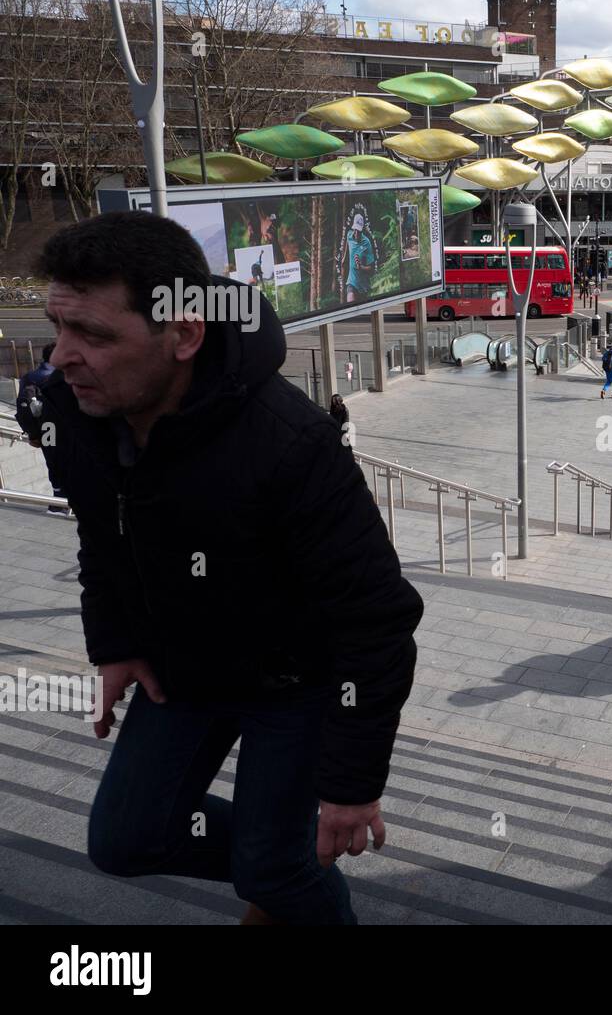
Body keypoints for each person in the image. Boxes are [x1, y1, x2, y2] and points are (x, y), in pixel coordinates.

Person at [38, 210, 423, 924]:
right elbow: (103, 529)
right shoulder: (75, 410)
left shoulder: (291, 442)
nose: (60, 356)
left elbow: (379, 617)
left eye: (92, 333)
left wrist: (352, 783)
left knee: (271, 866)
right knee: (124, 839)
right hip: (188, 662)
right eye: (58, 325)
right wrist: (117, 640)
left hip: (296, 680)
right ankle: (280, 863)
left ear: (184, 333)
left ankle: (285, 873)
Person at [14, 342, 71, 516]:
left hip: (45, 429)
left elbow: (23, 408)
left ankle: (57, 504)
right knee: (69, 462)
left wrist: (33, 433)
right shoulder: (58, 376)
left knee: (53, 463)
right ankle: (66, 503)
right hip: (64, 429)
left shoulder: (30, 376)